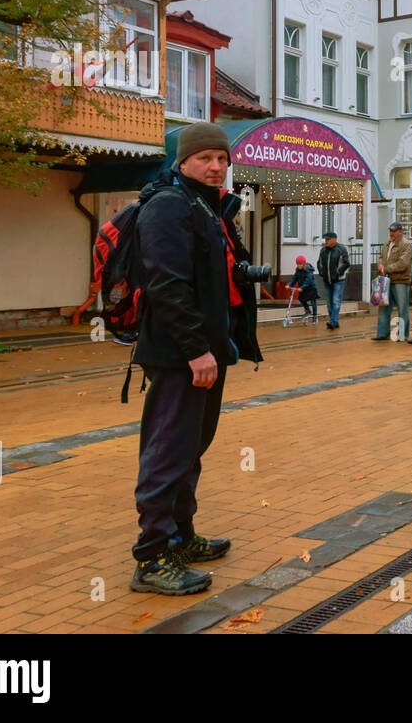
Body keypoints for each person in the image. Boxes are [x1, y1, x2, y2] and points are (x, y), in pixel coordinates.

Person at [129, 121, 262, 595]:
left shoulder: (209, 208)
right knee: (168, 449)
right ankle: (153, 556)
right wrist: (196, 350)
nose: (216, 166)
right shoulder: (168, 206)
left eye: (223, 159)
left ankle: (181, 536)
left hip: (208, 351)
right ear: (183, 161)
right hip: (180, 355)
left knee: (191, 447)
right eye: (205, 158)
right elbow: (167, 285)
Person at [372, 221, 412, 341]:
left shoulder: (406, 244)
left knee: (402, 308)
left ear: (401, 232)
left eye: (394, 231)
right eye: (390, 231)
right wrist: (379, 264)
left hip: (400, 280)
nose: (391, 233)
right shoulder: (387, 244)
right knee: (383, 307)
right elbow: (381, 257)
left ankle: (402, 335)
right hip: (386, 280)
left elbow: (403, 263)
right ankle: (382, 334)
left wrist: (386, 268)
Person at [316, 231, 350, 330]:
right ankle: (334, 321)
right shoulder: (323, 250)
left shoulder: (341, 249)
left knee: (336, 301)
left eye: (328, 239)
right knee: (329, 302)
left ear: (334, 239)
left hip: (338, 281)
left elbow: (346, 263)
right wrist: (321, 272)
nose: (326, 241)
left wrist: (338, 272)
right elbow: (319, 263)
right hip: (327, 280)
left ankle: (332, 321)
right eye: (325, 239)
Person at [288, 256, 319, 323]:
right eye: (297, 264)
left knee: (313, 301)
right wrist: (289, 284)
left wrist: (301, 287)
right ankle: (307, 310)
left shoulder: (308, 269)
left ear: (303, 264)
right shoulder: (298, 270)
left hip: (311, 287)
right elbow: (294, 278)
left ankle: (315, 316)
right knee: (301, 298)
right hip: (303, 288)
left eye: (300, 264)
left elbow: (308, 280)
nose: (299, 266)